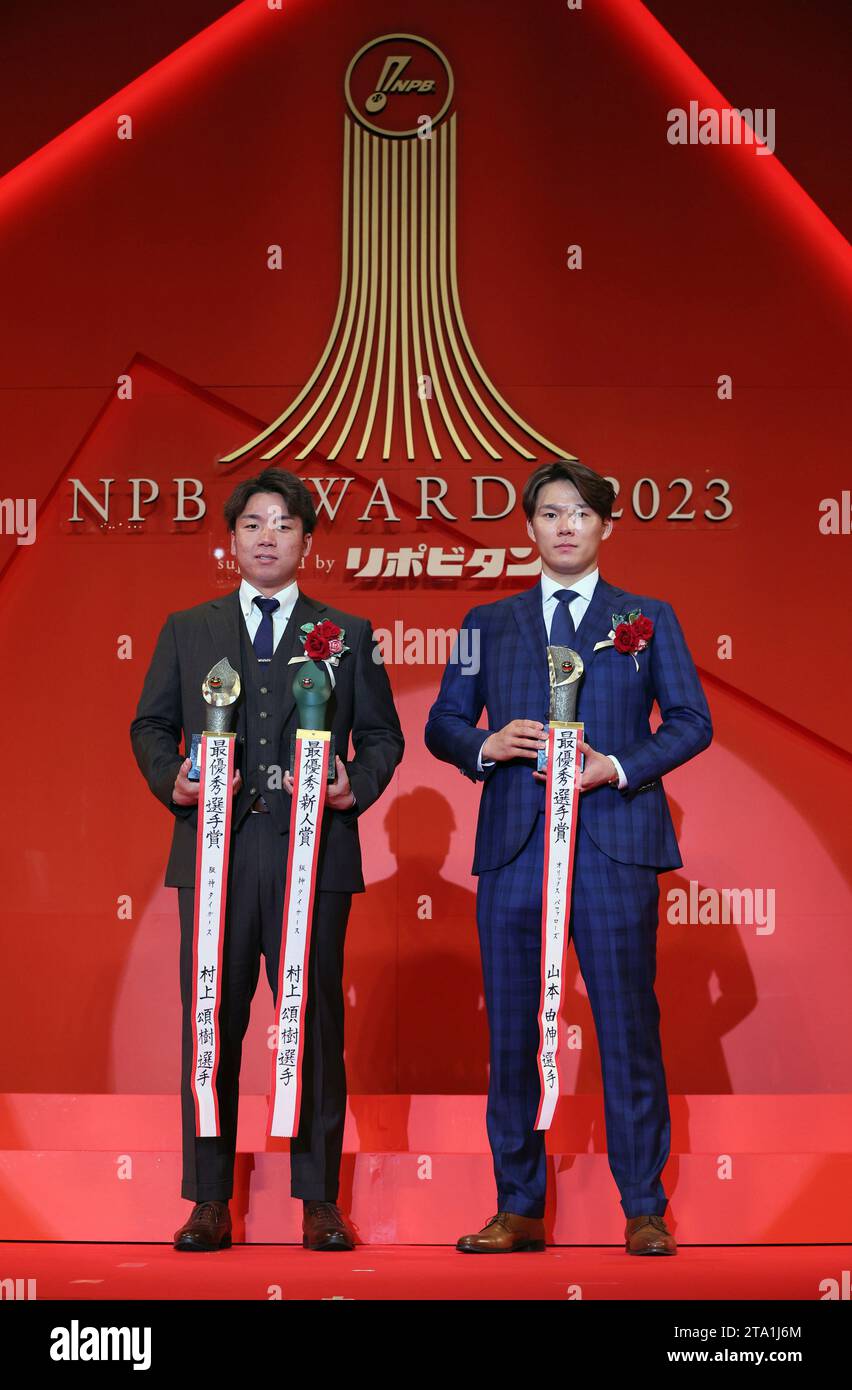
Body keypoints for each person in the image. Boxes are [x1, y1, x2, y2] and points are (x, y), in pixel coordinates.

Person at [424, 460, 712, 1255]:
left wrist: (616, 766)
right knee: (513, 1031)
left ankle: (643, 1205)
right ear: (529, 528)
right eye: (549, 513)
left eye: (580, 514)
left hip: (613, 844)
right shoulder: (487, 625)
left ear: (605, 527)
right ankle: (518, 1205)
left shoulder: (646, 618)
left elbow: (691, 720)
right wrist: (485, 743)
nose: (563, 526)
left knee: (627, 1026)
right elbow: (444, 720)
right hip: (515, 848)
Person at [130, 468, 404, 1252]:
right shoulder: (188, 629)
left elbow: (383, 735)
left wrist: (361, 779)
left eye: (283, 524)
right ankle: (209, 1200)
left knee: (312, 1025)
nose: (267, 537)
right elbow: (149, 726)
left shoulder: (346, 629)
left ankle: (320, 1200)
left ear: (306, 542)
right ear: (231, 541)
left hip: (314, 857)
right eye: (253, 524)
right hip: (214, 855)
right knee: (210, 1024)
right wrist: (172, 778)